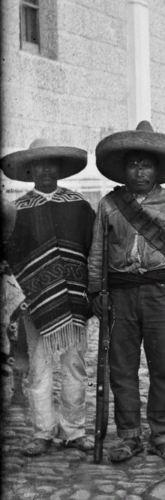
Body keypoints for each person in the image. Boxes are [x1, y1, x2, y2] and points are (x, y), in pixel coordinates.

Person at [89, 122, 165, 463]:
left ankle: (161, 434)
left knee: (164, 365)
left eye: (146, 164)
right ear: (124, 168)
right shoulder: (109, 204)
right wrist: (96, 290)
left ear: (156, 169)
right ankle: (128, 436)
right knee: (122, 367)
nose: (139, 170)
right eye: (133, 164)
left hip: (162, 292)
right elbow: (97, 251)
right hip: (120, 294)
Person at [1, 138, 95, 456]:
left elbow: (92, 252)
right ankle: (42, 432)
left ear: (59, 168)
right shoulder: (18, 211)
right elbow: (10, 258)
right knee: (38, 369)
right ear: (30, 170)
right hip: (34, 303)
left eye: (50, 164)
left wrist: (91, 292)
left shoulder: (79, 206)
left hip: (73, 302)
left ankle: (74, 430)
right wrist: (20, 292)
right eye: (38, 165)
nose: (44, 170)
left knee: (74, 366)